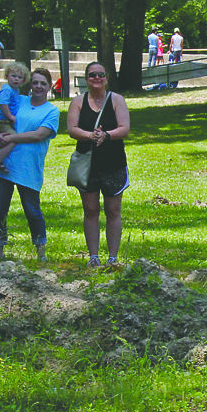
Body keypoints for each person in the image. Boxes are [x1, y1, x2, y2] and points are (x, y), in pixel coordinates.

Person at [66, 62, 132, 267]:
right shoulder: (78, 101)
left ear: (107, 78)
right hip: (88, 164)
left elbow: (125, 128)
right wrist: (90, 135)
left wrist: (106, 135)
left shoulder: (117, 100)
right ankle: (93, 257)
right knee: (91, 210)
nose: (97, 78)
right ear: (86, 79)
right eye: (92, 75)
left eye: (101, 74)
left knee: (113, 210)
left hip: (113, 162)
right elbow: (71, 129)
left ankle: (113, 258)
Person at [0, 68, 59, 262]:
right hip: (3, 165)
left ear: (49, 86)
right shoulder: (17, 100)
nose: (38, 86)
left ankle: (41, 251)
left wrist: (11, 137)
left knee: (32, 211)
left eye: (43, 83)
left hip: (28, 168)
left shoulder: (51, 111)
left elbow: (39, 135)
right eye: (35, 82)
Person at [0, 61, 29, 172]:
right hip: (2, 120)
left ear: (23, 80)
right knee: (13, 138)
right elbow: (2, 103)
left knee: (2, 139)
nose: (16, 79)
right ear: (6, 76)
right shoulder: (7, 89)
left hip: (3, 121)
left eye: (19, 77)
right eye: (13, 76)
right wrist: (10, 116)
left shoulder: (15, 90)